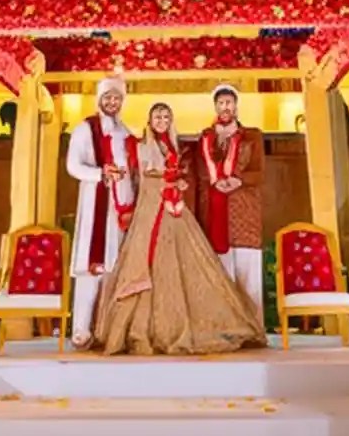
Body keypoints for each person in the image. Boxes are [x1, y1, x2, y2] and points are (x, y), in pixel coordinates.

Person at [95, 103, 266, 355]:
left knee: (192, 264)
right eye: (157, 117)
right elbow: (144, 176)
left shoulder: (174, 145)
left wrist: (179, 183)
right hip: (151, 210)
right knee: (147, 261)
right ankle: (144, 330)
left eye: (166, 116)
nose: (162, 120)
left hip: (174, 209)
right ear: (150, 120)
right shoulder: (141, 146)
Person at [65, 76, 137, 349]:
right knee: (90, 268)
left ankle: (108, 329)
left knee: (114, 268)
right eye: (107, 97)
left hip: (120, 208)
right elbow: (73, 165)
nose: (112, 102)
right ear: (99, 99)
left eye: (117, 98)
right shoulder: (85, 128)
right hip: (96, 202)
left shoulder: (125, 131)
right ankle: (81, 329)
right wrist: (100, 174)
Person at [196, 84, 266, 319]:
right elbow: (201, 172)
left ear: (236, 106)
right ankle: (225, 328)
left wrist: (239, 180)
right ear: (215, 106)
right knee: (221, 273)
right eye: (221, 103)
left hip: (243, 211)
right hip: (215, 211)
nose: (225, 107)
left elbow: (260, 173)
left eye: (229, 102)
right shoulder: (207, 137)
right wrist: (216, 181)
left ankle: (254, 329)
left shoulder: (252, 135)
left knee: (248, 275)